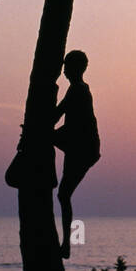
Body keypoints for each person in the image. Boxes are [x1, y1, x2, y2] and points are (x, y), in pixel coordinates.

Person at [54, 50, 100, 259]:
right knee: (64, 194)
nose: (64, 71)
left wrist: (38, 131)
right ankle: (66, 244)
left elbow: (59, 115)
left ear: (75, 69)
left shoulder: (78, 91)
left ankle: (66, 244)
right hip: (80, 146)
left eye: (66, 67)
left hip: (81, 148)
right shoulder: (78, 89)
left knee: (64, 194)